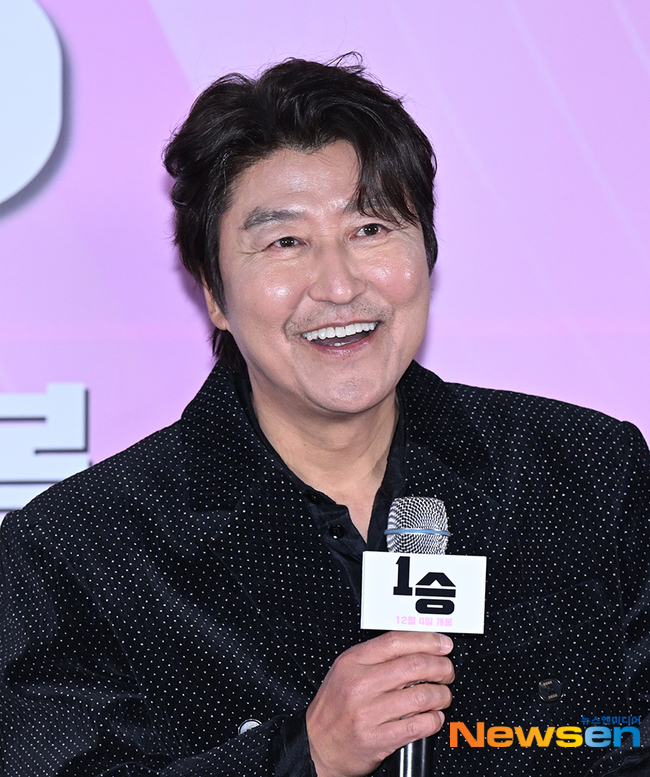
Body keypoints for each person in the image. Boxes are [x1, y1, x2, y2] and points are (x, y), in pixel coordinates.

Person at [1, 56, 649, 777]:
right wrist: (304, 754)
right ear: (213, 292)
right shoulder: (79, 552)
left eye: (370, 228)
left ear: (426, 253)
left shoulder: (585, 472)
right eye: (286, 242)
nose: (339, 285)